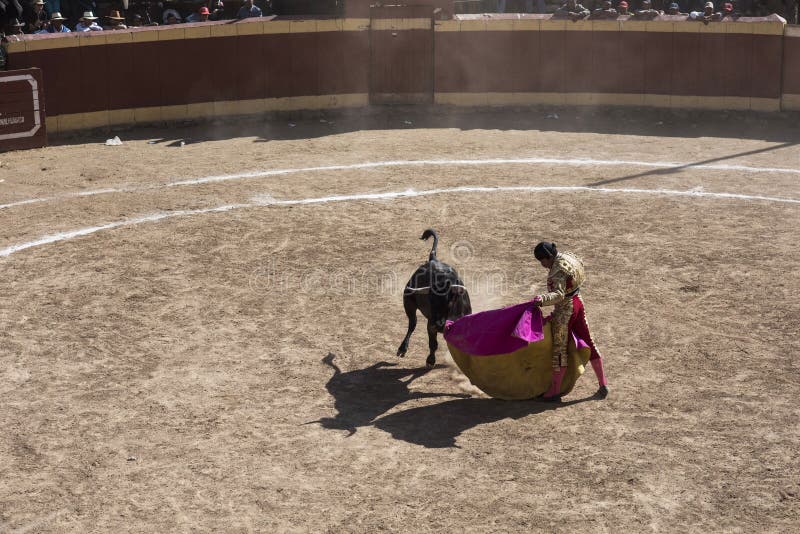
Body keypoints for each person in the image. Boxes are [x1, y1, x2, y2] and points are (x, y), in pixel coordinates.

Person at [530, 242, 609, 401]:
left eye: (542, 260)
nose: (542, 264)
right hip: (578, 301)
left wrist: (542, 299)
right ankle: (603, 384)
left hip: (565, 311)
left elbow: (559, 295)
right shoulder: (568, 257)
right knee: (589, 341)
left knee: (560, 349)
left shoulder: (557, 271)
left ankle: (555, 391)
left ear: (548, 257)